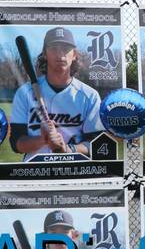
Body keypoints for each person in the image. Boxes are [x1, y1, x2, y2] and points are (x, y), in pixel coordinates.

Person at [8, 28, 104, 159]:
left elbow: (97, 144)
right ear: (45, 54)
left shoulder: (89, 96)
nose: (60, 54)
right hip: (35, 173)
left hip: (75, 172)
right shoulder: (24, 93)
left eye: (66, 49)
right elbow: (16, 143)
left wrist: (67, 149)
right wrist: (43, 140)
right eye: (54, 48)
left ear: (74, 54)